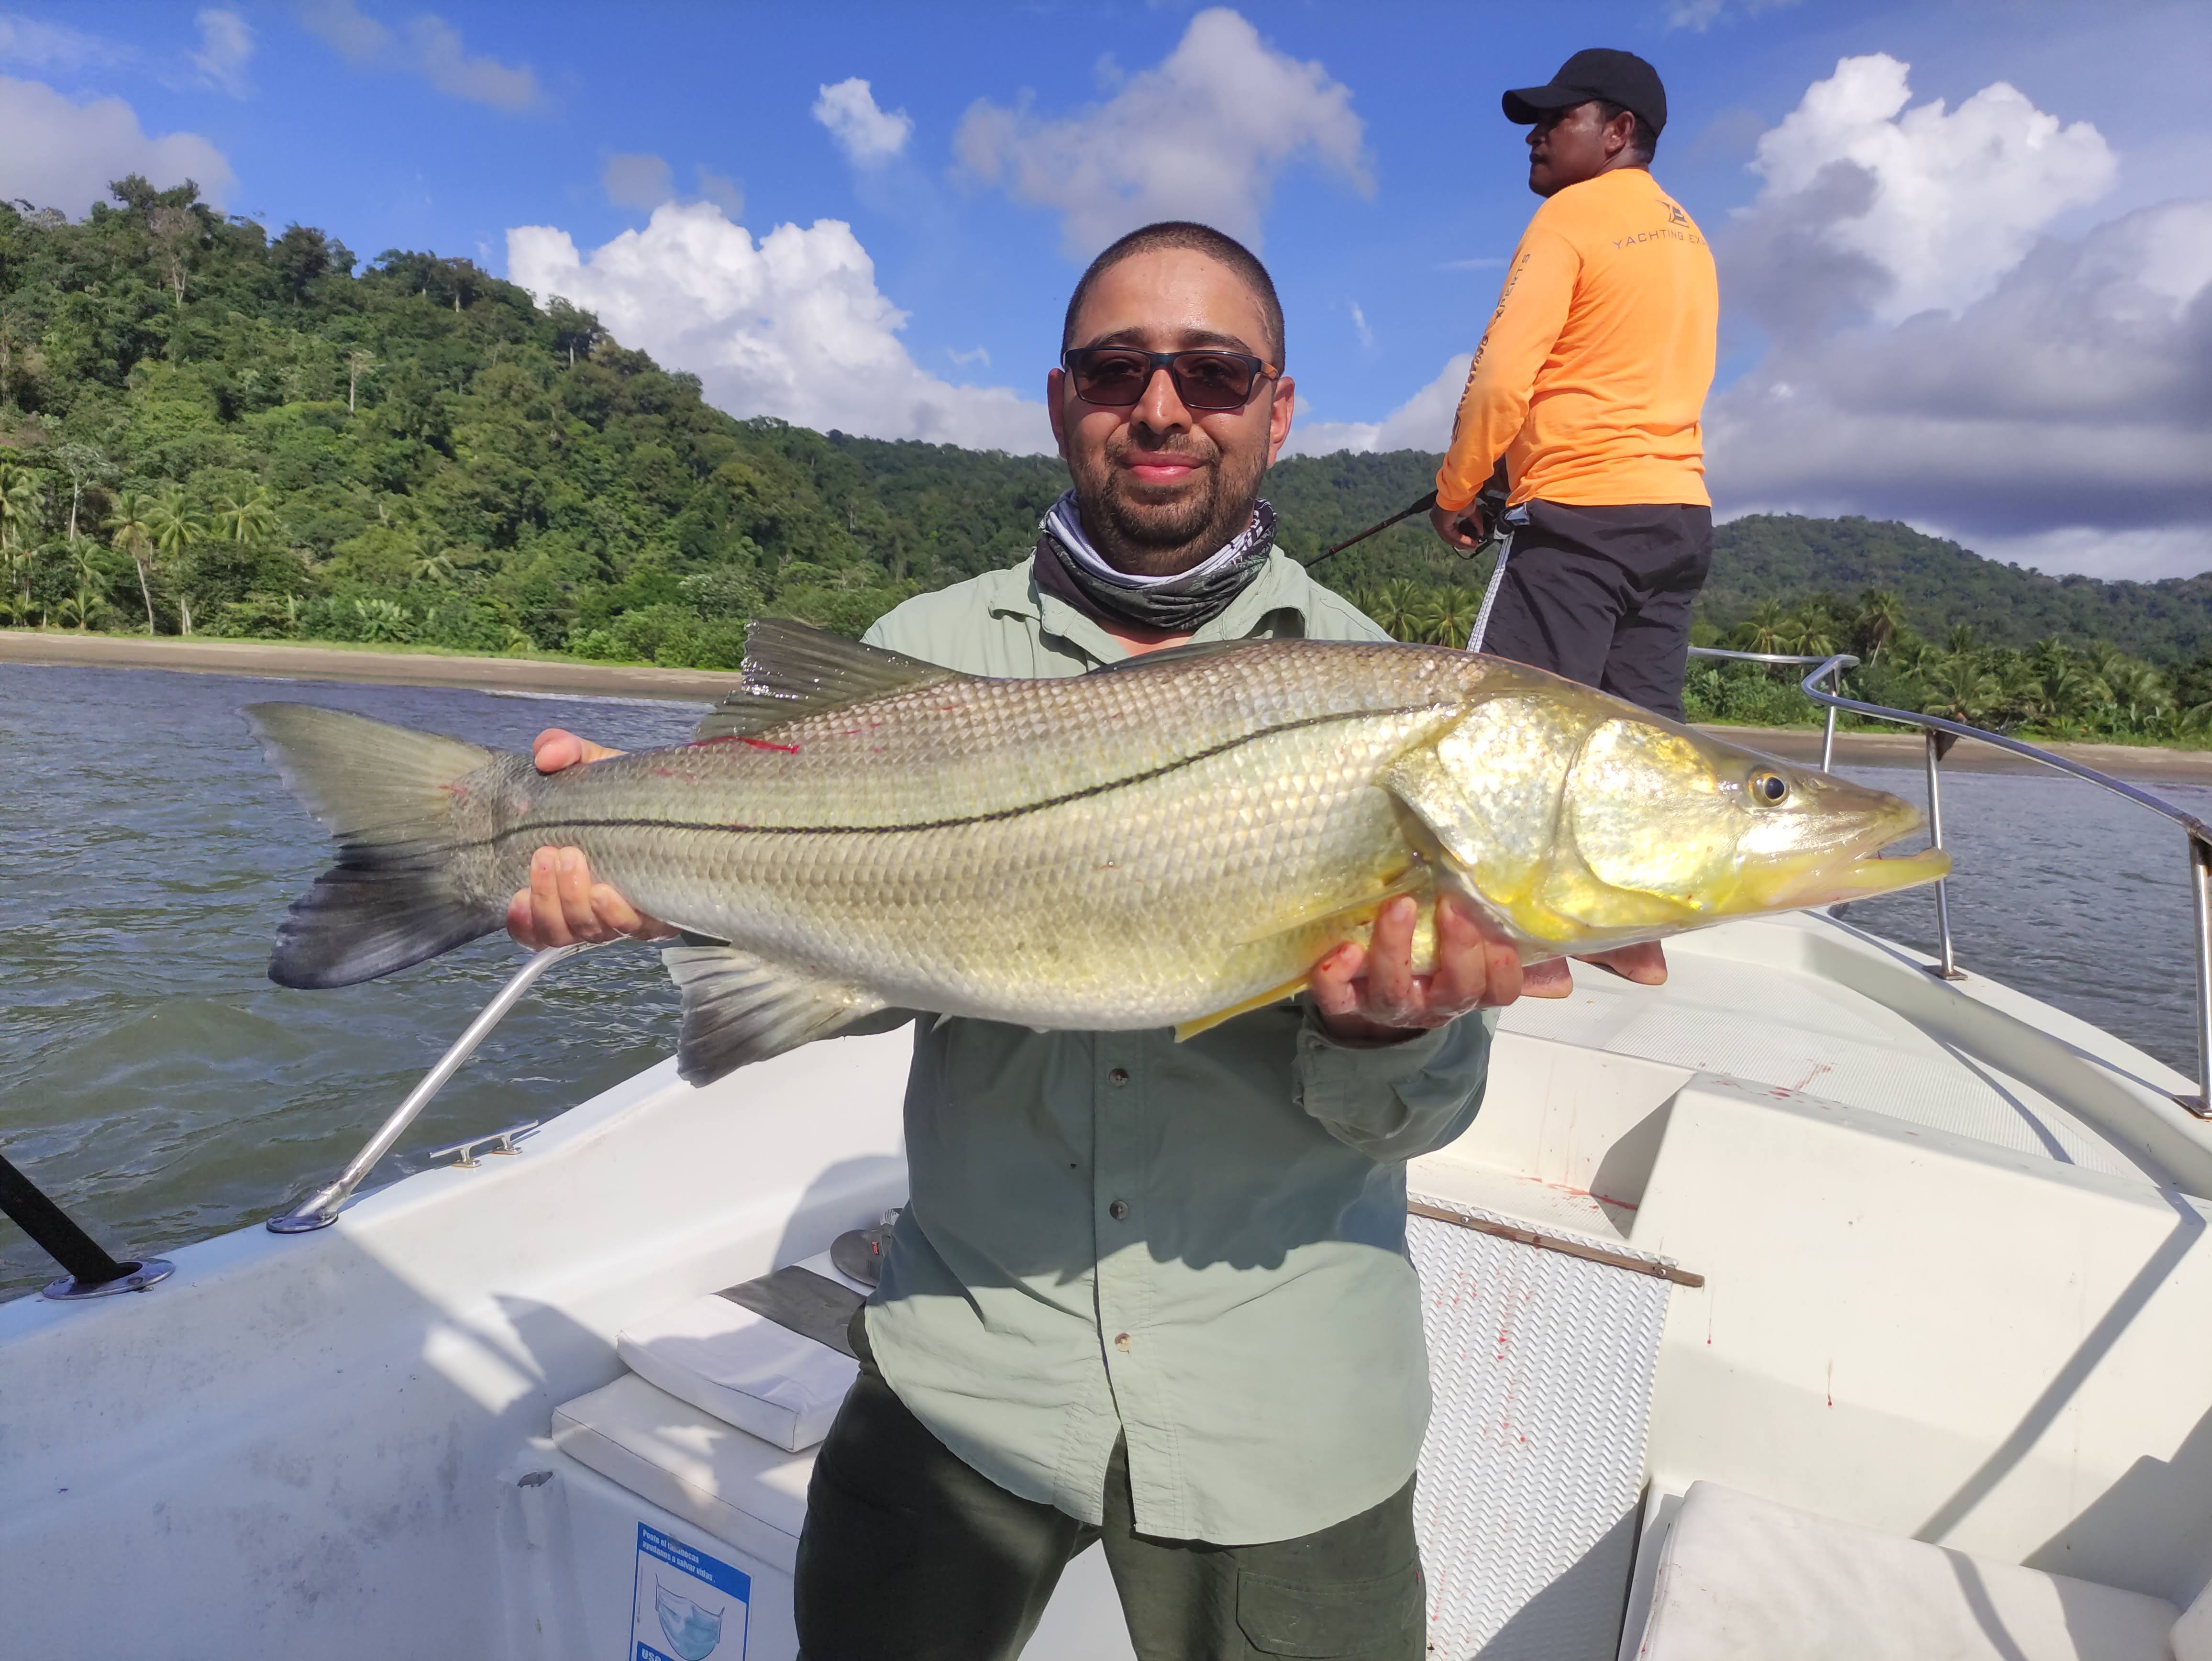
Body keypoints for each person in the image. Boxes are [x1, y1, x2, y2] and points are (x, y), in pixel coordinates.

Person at [508, 222, 1527, 1661]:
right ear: (1062, 403)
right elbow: (856, 976)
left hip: (1289, 1413)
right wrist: (661, 869)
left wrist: (1398, 1031)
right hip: (963, 1373)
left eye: (1215, 373)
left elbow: (1428, 1113)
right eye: (1119, 371)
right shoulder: (927, 644)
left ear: (1278, 411)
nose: (1162, 407)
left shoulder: (1397, 701)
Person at [1430, 47, 1718, 990]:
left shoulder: (1569, 217)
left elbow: (1505, 373)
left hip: (1581, 517)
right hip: (1677, 517)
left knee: (1510, 728)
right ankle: (1631, 937)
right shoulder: (1687, 235)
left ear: (1618, 132)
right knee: (1638, 737)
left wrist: (1456, 488)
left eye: (1557, 118)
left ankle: (1532, 954)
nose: (1536, 131)